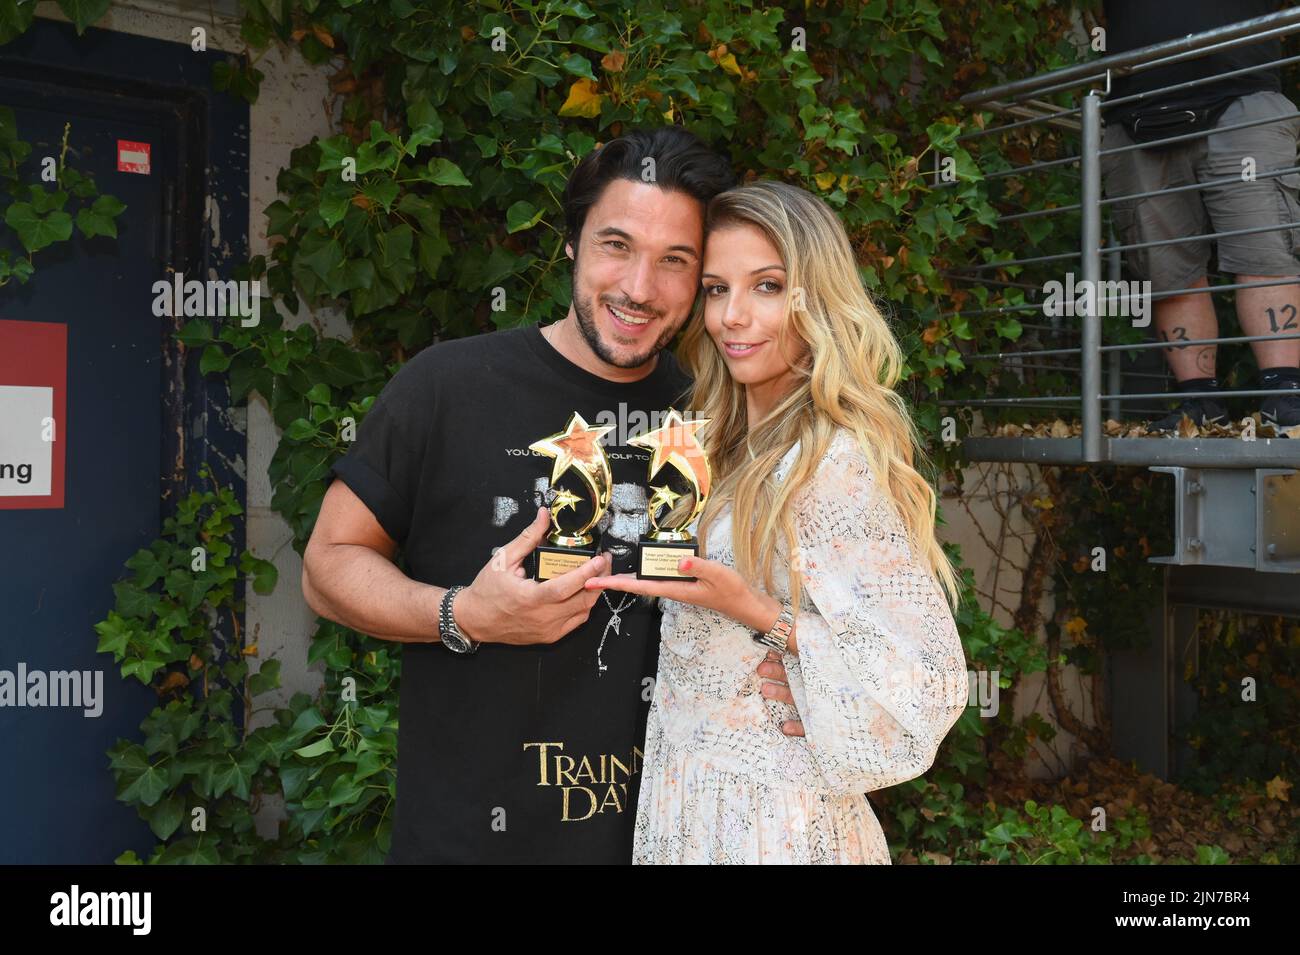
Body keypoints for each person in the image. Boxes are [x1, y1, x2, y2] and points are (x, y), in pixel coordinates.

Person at [302, 126, 809, 864]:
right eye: (616, 245)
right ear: (571, 245)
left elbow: (813, 606)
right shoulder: (447, 386)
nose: (640, 287)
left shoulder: (723, 417)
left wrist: (795, 663)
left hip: (671, 841)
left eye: (676, 261)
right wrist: (462, 613)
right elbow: (326, 566)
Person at [585, 181, 969, 864]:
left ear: (813, 297)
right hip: (686, 802)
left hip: (776, 824)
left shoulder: (833, 458)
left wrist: (771, 620)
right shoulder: (709, 445)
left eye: (767, 286)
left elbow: (930, 679)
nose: (734, 315)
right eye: (715, 288)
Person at [1099, 0, 1300, 433]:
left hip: (1242, 94)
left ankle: (1287, 400)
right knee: (1168, 273)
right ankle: (1199, 404)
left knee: (1265, 254)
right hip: (1136, 115)